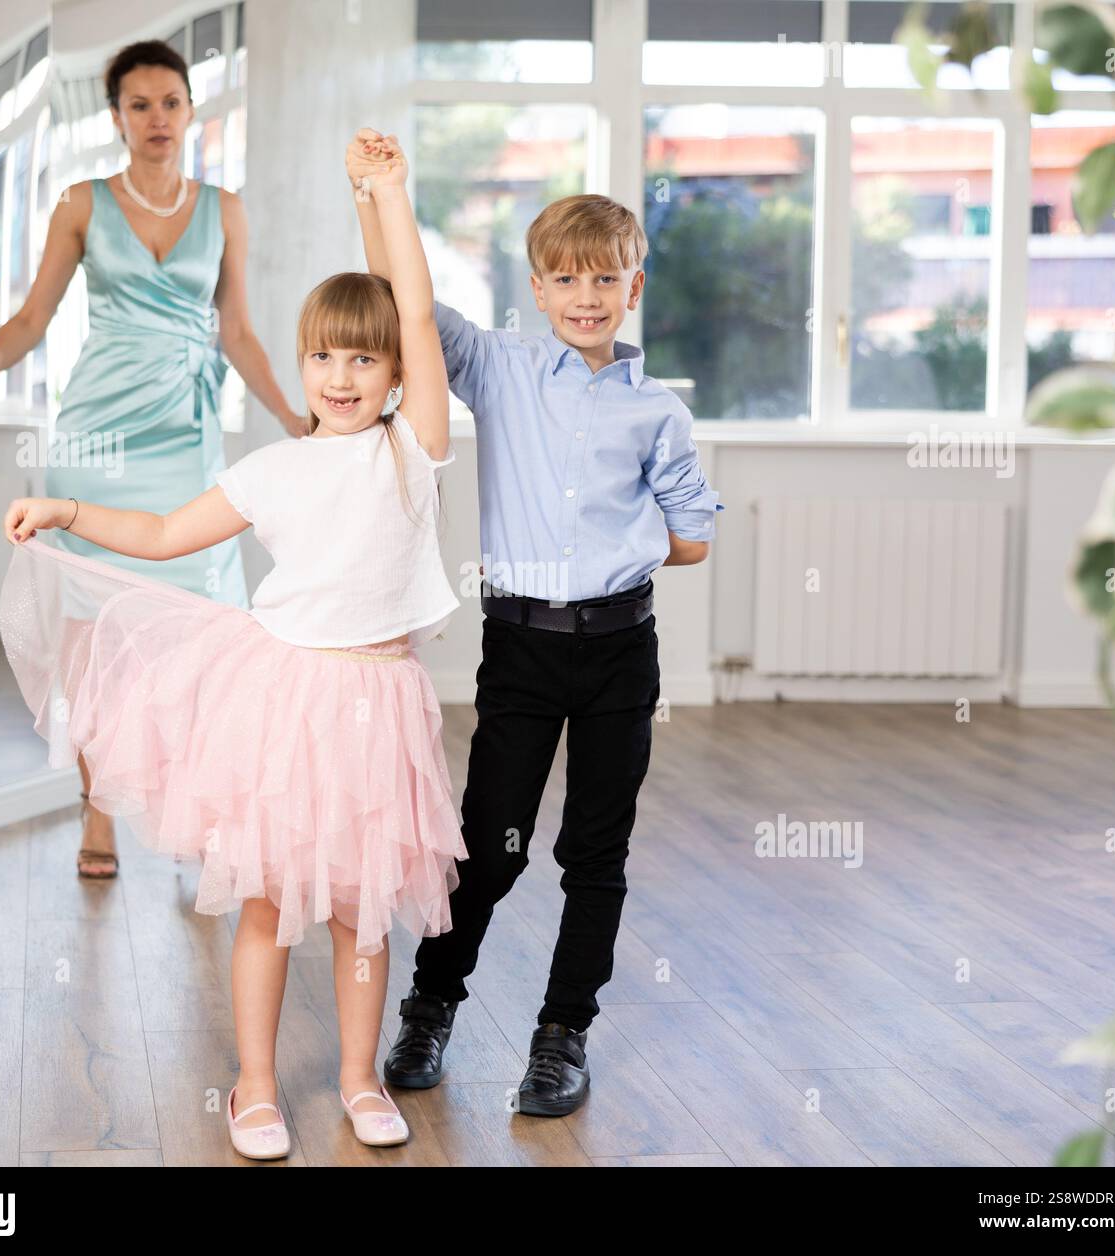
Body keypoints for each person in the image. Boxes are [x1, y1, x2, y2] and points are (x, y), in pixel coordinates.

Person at [0, 130, 463, 1154]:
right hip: (285, 700)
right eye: (322, 354)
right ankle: (254, 1082)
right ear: (301, 364)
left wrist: (386, 196)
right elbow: (165, 533)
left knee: (360, 911)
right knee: (266, 903)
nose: (341, 374)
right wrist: (69, 505)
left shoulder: (412, 449)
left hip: (380, 703)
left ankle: (355, 1076)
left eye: (364, 355)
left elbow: (419, 309)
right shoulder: (278, 466)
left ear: (393, 373)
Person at [354, 153, 724, 1116]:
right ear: (537, 287)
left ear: (634, 285)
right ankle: (432, 1007)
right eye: (565, 277)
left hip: (619, 654)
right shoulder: (499, 368)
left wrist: (620, 546)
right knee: (492, 844)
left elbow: (693, 540)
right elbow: (403, 303)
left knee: (595, 855)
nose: (586, 295)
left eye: (606, 277)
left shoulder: (659, 412)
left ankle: (562, 1039)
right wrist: (383, 197)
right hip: (520, 650)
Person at [0, 39, 305, 880]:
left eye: (171, 102)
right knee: (93, 639)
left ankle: (197, 815)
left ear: (192, 110)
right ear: (116, 116)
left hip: (185, 440)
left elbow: (237, 333)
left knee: (203, 638)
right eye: (139, 105)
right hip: (97, 440)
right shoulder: (81, 204)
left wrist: (298, 420)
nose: (157, 118)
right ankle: (98, 816)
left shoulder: (225, 209)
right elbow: (30, 321)